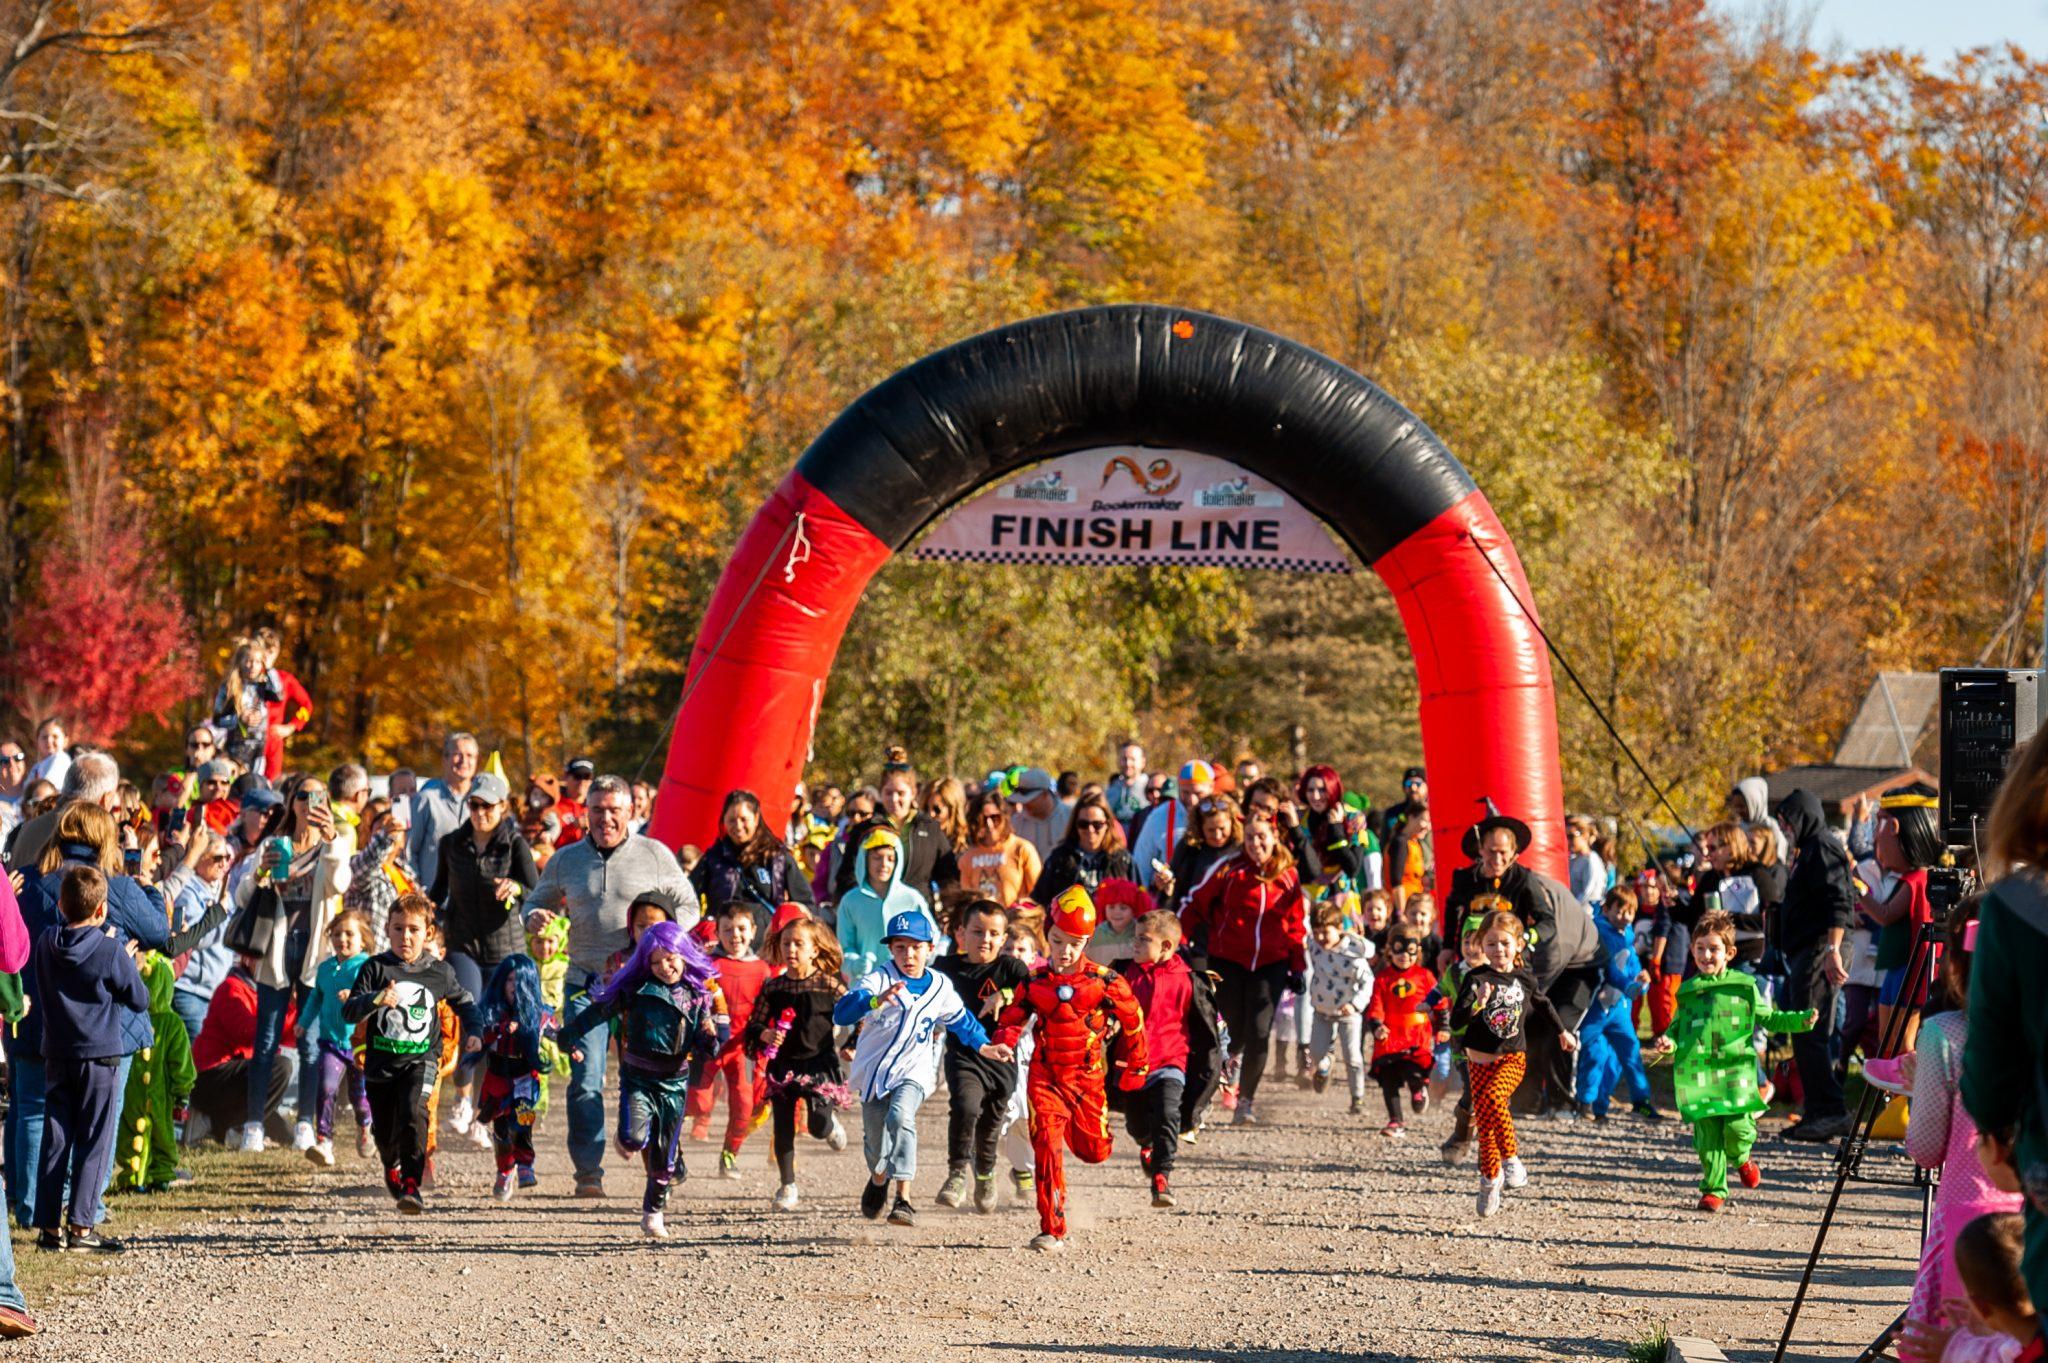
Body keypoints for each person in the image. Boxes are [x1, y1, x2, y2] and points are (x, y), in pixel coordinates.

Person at [523, 772, 698, 1197]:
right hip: (586, 982)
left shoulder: (654, 854)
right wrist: (534, 917)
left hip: (644, 987)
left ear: (631, 811)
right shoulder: (566, 860)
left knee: (652, 1075)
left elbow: (689, 905)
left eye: (614, 810)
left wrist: (664, 942)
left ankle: (662, 1156)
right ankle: (588, 1171)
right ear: (586, 812)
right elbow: (535, 901)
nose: (606, 819)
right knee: (586, 1078)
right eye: (597, 810)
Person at [1888, 898, 2024, 1346]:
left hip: (1968, 1229)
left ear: (1954, 965)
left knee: (1956, 1343)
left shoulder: (1944, 1034)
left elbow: (1925, 1148)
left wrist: (1921, 1086)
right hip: (2034, 1217)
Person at [991, 887, 1145, 1251]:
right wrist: (1004, 1041)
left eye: (1075, 943)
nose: (1065, 951)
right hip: (1045, 1077)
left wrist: (1136, 1064)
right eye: (1058, 941)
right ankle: (1052, 1228)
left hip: (1087, 1080)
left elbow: (1134, 1020)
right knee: (1046, 1145)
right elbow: (1012, 1019)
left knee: (1094, 1151)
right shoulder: (1034, 983)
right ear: (1048, 935)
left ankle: (1079, 1133)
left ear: (1087, 941)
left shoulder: (1106, 981)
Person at [836, 909, 1010, 1228]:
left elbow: (961, 1020)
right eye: (900, 947)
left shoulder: (939, 985)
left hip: (914, 1071)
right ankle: (879, 1178)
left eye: (916, 947)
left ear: (930, 948)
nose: (908, 955)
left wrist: (985, 1046)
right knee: (876, 1146)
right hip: (874, 1074)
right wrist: (874, 1001)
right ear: (891, 949)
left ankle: (903, 1199)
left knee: (901, 1116)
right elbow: (842, 1013)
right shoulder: (878, 979)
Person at [559, 917, 724, 1238]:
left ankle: (653, 1212)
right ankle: (628, 1138)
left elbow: (706, 1041)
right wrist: (570, 1034)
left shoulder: (697, 994)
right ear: (646, 963)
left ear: (683, 955)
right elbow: (598, 1012)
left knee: (665, 1155)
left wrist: (709, 1038)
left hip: (675, 1082)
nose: (665, 967)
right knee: (634, 1138)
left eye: (671, 959)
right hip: (638, 1078)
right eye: (656, 962)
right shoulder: (634, 989)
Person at [1441, 812, 1598, 1117]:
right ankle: (1475, 1092)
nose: (1497, 859)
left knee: (1519, 1025)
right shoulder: (1465, 878)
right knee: (1471, 1020)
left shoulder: (1523, 879)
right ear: (1480, 849)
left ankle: (1522, 1097)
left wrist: (1526, 937)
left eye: (1504, 852)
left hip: (1512, 966)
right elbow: (1452, 909)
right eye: (1491, 852)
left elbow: (1547, 921)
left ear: (1514, 853)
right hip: (1476, 964)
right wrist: (1447, 946)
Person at [1662, 909, 1814, 1213]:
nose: (1706, 955)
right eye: (1700, 948)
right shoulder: (1688, 991)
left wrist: (1801, 1020)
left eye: (1714, 949)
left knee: (1737, 1130)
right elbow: (1678, 1029)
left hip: (1735, 1075)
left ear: (1729, 953)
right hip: (1700, 1076)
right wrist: (1669, 1043)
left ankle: (1742, 1157)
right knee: (1707, 1138)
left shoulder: (1744, 987)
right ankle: (1713, 1189)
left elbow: (1770, 1018)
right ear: (1691, 950)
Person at [233, 772, 353, 1154]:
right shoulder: (275, 844)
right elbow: (241, 897)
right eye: (302, 795)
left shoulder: (334, 844)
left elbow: (340, 884)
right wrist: (261, 871)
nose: (309, 803)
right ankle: (254, 1124)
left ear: (327, 805)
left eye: (318, 797)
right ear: (292, 802)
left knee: (310, 1043)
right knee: (266, 1040)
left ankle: (305, 1122)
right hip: (277, 950)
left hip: (315, 952)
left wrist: (331, 839)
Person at [341, 893, 481, 1215]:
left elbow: (465, 1002)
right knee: (385, 1132)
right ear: (387, 930)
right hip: (381, 1066)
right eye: (398, 928)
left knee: (414, 1112)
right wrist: (375, 1000)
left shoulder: (439, 973)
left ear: (427, 933)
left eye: (414, 930)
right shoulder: (375, 968)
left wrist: (474, 1030)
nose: (405, 936)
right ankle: (391, 1163)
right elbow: (349, 1011)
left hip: (422, 1060)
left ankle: (411, 1184)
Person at [32, 865, 145, 1252]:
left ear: (61, 905)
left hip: (57, 1051)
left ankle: (49, 1227)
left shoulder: (46, 942)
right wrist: (127, 962)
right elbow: (138, 999)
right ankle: (81, 1226)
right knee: (94, 1139)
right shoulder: (110, 950)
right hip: (99, 1055)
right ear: (102, 910)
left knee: (56, 1138)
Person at [428, 769, 537, 1145]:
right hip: (464, 945)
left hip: (505, 949)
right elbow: (438, 891)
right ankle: (461, 1101)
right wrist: (426, 912)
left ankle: (483, 1112)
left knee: (498, 1032)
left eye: (487, 806)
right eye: (474, 805)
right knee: (470, 1016)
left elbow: (535, 891)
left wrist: (516, 888)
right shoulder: (451, 844)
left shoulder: (514, 845)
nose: (480, 813)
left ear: (502, 807)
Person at [1180, 813, 1306, 1126]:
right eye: (1250, 837)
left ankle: (1245, 1101)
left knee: (1260, 1032)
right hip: (1228, 961)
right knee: (1231, 1031)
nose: (1255, 843)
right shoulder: (1229, 869)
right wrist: (1178, 942)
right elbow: (1194, 902)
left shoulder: (1287, 874)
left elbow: (1296, 924)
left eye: (1262, 836)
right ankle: (1216, 1083)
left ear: (1275, 837)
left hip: (1271, 963)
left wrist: (1298, 965)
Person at [1451, 909, 1575, 1219]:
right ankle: (1489, 1179)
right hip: (1478, 1062)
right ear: (1481, 944)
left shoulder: (1524, 978)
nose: (1498, 950)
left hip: (1511, 1058)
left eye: (1505, 943)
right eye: (1491, 943)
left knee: (1495, 1099)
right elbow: (1456, 1021)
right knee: (1486, 1127)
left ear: (1518, 944)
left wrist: (1562, 1032)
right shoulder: (1475, 978)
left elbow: (1544, 1004)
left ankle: (1511, 1160)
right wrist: (1477, 1003)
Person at [744, 916, 850, 1212]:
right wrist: (765, 1033)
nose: (791, 949)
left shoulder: (829, 985)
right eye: (786, 943)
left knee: (817, 1126)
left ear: (815, 950)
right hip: (784, 1066)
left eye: (798, 944)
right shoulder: (774, 987)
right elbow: (754, 1024)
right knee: (783, 1127)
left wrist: (852, 1044)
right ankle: (787, 1185)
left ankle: (829, 1126)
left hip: (820, 1065)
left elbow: (857, 1015)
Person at [932, 898, 1030, 1212]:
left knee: (990, 1123)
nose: (985, 939)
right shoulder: (945, 968)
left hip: (1002, 1058)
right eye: (977, 931)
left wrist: (1005, 993)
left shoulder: (1011, 969)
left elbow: (1033, 994)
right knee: (965, 1106)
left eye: (993, 934)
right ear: (961, 933)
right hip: (963, 1056)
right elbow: (922, 992)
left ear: (1003, 938)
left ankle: (985, 1174)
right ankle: (957, 1174)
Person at [1773, 789, 1856, 1143]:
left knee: (1811, 1031)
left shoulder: (1823, 846)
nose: (1784, 828)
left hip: (1821, 948)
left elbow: (1839, 901)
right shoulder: (1807, 849)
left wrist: (1833, 950)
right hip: (1807, 950)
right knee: (1805, 1032)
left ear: (1801, 818)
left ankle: (1830, 1111)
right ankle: (1817, 1110)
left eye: (1787, 821)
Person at [1123, 909, 1211, 1207]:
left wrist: (1218, 1059)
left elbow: (1209, 1023)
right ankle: (1146, 1143)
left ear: (1166, 946)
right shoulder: (1124, 974)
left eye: (1143, 939)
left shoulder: (1188, 980)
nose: (1135, 944)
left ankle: (1162, 1177)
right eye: (1135, 937)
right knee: (1136, 1124)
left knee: (1168, 1114)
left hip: (1171, 1061)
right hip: (1133, 1064)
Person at [690, 907, 772, 1177]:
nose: (735, 935)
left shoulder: (762, 970)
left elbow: (768, 1010)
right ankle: (668, 1147)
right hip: (710, 1046)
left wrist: (767, 1038)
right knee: (698, 1103)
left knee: (744, 1105)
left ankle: (729, 1155)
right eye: (727, 929)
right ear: (718, 933)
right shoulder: (707, 966)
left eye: (741, 929)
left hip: (743, 1050)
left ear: (753, 932)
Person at [1576, 886, 1662, 1123]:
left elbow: (1632, 968)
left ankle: (1637, 1100)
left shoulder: (1627, 937)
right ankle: (1585, 1102)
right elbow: (1610, 970)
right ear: (1606, 910)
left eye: (1630, 912)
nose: (1625, 917)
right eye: (1620, 911)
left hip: (1619, 1008)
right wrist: (1630, 986)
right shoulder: (1600, 932)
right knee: (1594, 1053)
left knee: (1629, 1052)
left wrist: (1642, 983)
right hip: (1595, 1006)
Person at [474, 954, 556, 1202]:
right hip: (497, 1078)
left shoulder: (539, 1014)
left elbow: (557, 1033)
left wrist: (572, 1047)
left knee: (523, 1118)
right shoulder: (490, 1012)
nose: (514, 985)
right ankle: (505, 1170)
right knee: (501, 1130)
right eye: (509, 979)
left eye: (519, 980)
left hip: (524, 1078)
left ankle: (525, 1164)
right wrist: (498, 1029)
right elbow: (479, 1034)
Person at [831, 752, 959, 905]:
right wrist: (865, 903)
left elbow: (949, 878)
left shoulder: (930, 828)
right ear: (880, 793)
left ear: (913, 793)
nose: (894, 799)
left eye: (901, 793)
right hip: (875, 910)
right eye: (888, 793)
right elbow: (847, 876)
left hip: (916, 911)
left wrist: (949, 909)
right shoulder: (865, 829)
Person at [688, 789, 815, 936]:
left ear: (756, 818)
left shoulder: (776, 856)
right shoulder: (713, 857)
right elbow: (688, 895)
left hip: (766, 942)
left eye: (744, 819)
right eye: (731, 820)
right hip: (724, 942)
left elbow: (805, 902)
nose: (738, 826)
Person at [303, 912, 374, 1165]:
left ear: (363, 940)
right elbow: (316, 998)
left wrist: (354, 997)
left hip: (360, 1044)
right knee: (326, 1087)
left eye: (349, 934)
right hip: (331, 1042)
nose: (342, 939)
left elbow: (374, 998)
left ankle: (365, 1126)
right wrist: (303, 1023)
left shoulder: (367, 967)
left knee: (360, 1096)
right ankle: (324, 1141)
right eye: (336, 934)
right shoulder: (325, 969)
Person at [1365, 927, 1445, 1138]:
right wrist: (1376, 1025)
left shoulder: (1424, 976)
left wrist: (1443, 1026)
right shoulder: (1383, 978)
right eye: (1398, 950)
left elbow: (1440, 1002)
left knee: (1412, 1070)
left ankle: (1418, 1088)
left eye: (1409, 951)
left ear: (1417, 951)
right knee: (1388, 1078)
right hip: (1390, 1038)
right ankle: (1396, 1121)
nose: (1404, 956)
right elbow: (1375, 1006)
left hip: (1416, 1036)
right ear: (1389, 950)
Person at [1305, 902, 1375, 1115]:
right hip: (1322, 1011)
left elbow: (1367, 982)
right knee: (1315, 1053)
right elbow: (1302, 934)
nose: (1321, 937)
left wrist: (1355, 1004)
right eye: (1317, 932)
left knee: (1353, 1057)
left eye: (1326, 932)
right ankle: (1325, 1065)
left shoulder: (1352, 955)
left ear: (1338, 928)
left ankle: (1357, 1098)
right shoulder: (1315, 946)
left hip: (1348, 1014)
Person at [1033, 791, 1135, 905]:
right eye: (1083, 824)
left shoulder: (1123, 860)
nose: (1090, 830)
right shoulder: (1059, 859)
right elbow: (1039, 901)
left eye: (1097, 824)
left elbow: (1138, 902)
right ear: (1075, 825)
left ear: (1107, 824)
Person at [407, 732, 479, 893]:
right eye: (457, 754)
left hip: (470, 899)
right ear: (444, 759)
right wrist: (417, 891)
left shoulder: (483, 804)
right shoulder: (426, 800)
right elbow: (409, 851)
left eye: (470, 756)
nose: (464, 761)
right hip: (432, 899)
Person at [1152, 795, 1241, 915]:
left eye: (1222, 828)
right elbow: (1174, 893)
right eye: (1210, 830)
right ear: (1200, 827)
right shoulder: (1188, 848)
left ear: (1233, 823)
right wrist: (1166, 886)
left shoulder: (1241, 849)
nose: (1217, 835)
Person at [1131, 760, 1215, 883]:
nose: (1192, 800)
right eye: (1185, 792)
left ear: (1211, 787)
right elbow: (1140, 866)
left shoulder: (1222, 815)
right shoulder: (1159, 816)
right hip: (1173, 892)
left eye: (1198, 793)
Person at [956, 791, 1042, 909]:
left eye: (995, 818)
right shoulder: (967, 858)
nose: (989, 824)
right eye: (983, 819)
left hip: (1016, 916)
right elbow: (967, 902)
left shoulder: (1022, 849)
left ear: (1004, 817)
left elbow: (1038, 896)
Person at [253, 627, 313, 781]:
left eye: (270, 651)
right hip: (249, 739)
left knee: (271, 782)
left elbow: (306, 705)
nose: (266, 656)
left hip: (272, 741)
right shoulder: (245, 678)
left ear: (276, 652)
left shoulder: (284, 679)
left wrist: (291, 726)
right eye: (263, 650)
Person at [1005, 766, 1070, 862]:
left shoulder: (1070, 817)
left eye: (1030, 800)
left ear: (1044, 794)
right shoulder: (1016, 823)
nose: (1025, 804)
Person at [1105, 742, 1148, 834]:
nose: (1128, 763)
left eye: (1132, 759)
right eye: (1124, 759)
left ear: (1143, 762)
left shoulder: (1151, 789)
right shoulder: (1110, 790)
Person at [557, 757, 594, 846]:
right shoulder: (554, 805)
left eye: (586, 777)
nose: (582, 781)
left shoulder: (597, 806)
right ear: (566, 777)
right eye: (577, 776)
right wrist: (572, 827)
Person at [26, 718, 69, 794]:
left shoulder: (60, 759)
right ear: (37, 741)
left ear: (65, 741)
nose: (49, 740)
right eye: (44, 737)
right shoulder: (37, 766)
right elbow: (25, 790)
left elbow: (45, 789)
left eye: (55, 736)